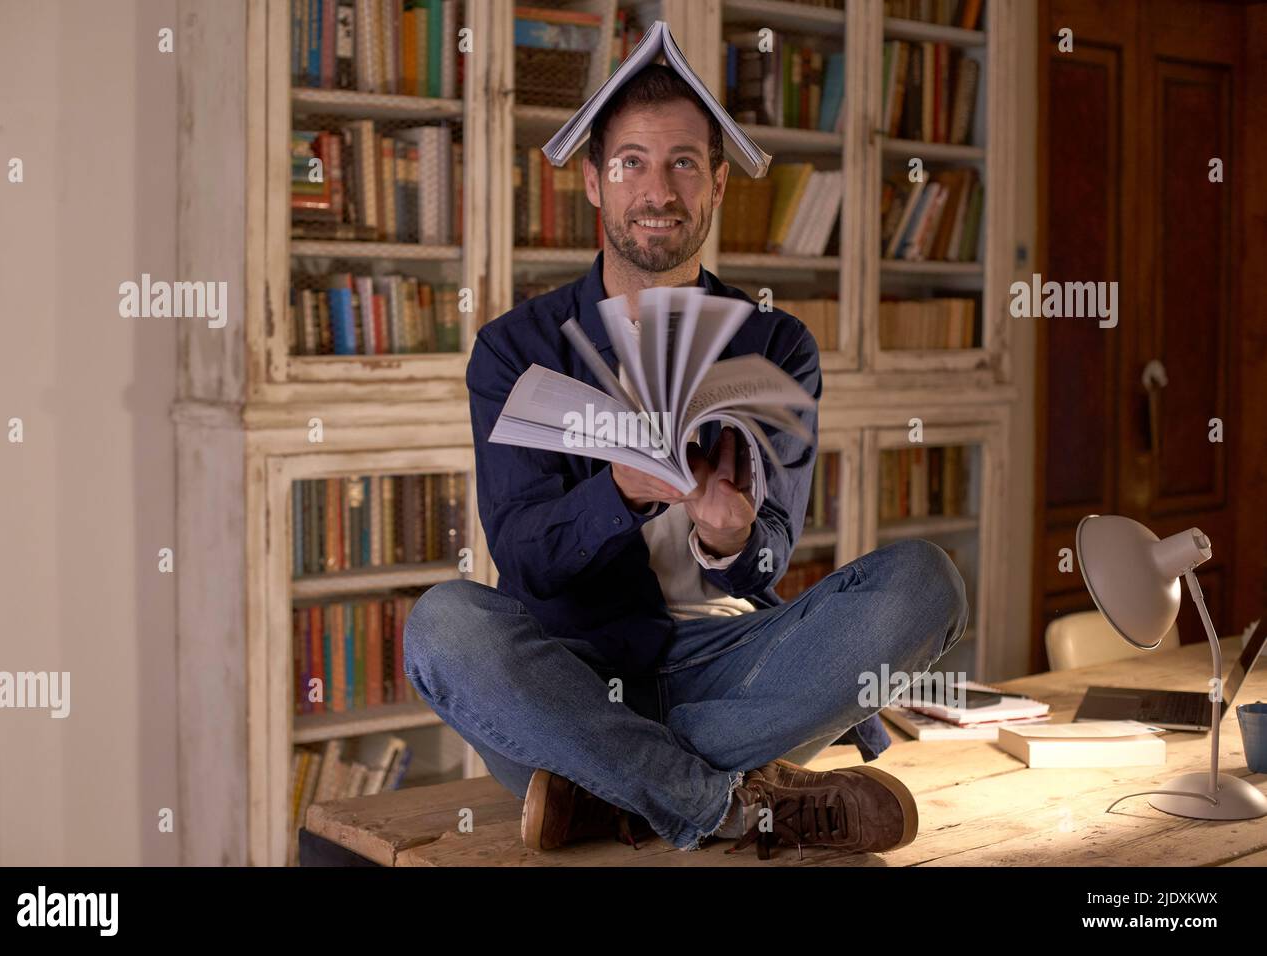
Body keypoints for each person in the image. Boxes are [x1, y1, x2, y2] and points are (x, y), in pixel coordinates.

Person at [403, 64, 968, 860]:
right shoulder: (515, 349)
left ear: (717, 185)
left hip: (735, 669)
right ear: (595, 182)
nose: (657, 190)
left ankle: (608, 790)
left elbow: (774, 545)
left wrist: (733, 539)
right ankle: (730, 802)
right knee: (444, 628)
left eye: (684, 164)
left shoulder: (775, 344)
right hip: (573, 672)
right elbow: (527, 554)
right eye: (631, 161)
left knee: (925, 582)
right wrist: (621, 495)